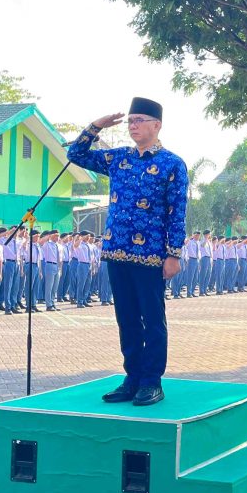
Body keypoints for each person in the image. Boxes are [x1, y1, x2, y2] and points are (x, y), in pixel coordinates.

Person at [68, 97, 187, 407]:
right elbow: (75, 154)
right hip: (116, 251)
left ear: (156, 125)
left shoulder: (172, 164)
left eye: (139, 120)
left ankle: (151, 381)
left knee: (153, 319)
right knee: (127, 319)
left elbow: (177, 212)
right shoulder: (118, 158)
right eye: (131, 121)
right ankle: (132, 377)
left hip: (151, 255)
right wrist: (96, 126)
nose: (133, 126)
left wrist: (173, 254)